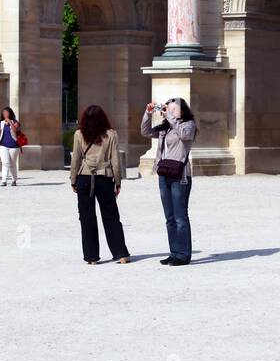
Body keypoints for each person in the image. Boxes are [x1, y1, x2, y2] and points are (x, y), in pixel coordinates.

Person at [70, 105, 130, 264]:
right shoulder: (111, 134)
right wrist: (118, 181)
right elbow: (115, 160)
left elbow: (75, 158)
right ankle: (121, 254)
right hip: (104, 178)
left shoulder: (78, 134)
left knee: (86, 218)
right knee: (111, 217)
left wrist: (73, 179)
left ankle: (91, 257)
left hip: (84, 176)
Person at [140, 97, 197, 266]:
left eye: (173, 109)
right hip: (164, 173)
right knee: (170, 217)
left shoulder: (188, 125)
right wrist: (148, 113)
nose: (169, 112)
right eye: (168, 109)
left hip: (180, 176)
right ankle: (174, 252)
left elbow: (185, 135)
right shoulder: (166, 128)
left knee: (180, 216)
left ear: (182, 110)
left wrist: (170, 118)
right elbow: (145, 131)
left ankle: (184, 254)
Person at [0, 107, 27, 187]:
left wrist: (10, 122)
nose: (5, 114)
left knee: (12, 164)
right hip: (3, 145)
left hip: (14, 146)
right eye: (3, 113)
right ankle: (3, 181)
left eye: (6, 113)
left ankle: (14, 180)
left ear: (10, 113)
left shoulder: (15, 122)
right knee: (5, 163)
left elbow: (16, 130)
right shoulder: (1, 123)